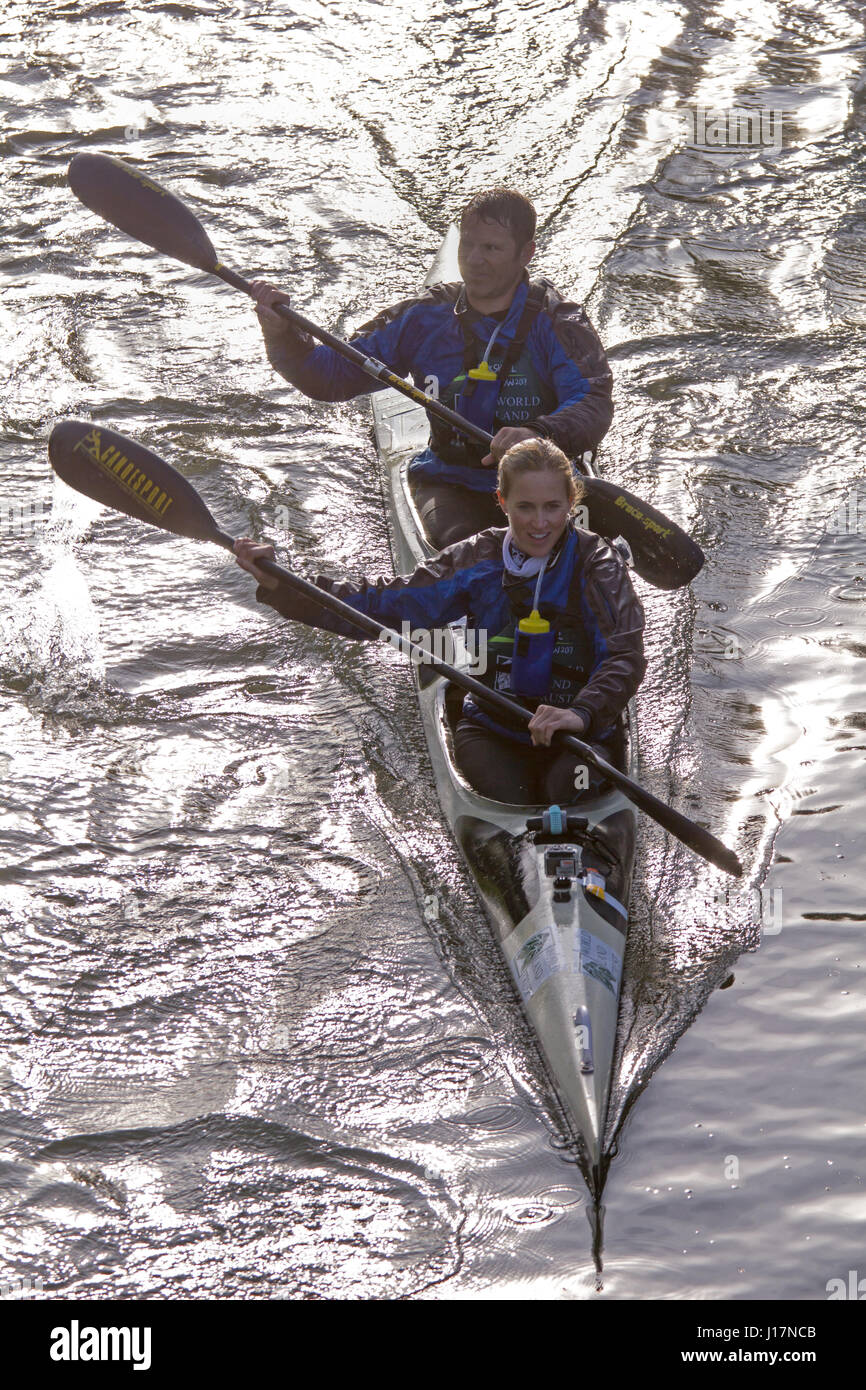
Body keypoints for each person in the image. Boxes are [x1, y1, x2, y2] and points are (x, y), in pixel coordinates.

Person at [234, 438, 645, 806]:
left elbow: (624, 656)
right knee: (514, 798)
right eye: (525, 507)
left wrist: (581, 713)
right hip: (494, 728)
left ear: (571, 503)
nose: (540, 523)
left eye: (553, 507)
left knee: (567, 792)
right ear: (502, 502)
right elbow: (386, 605)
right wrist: (285, 587)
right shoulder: (475, 558)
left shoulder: (599, 565)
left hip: (580, 734)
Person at [250, 188, 614, 550]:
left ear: (526, 253)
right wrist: (282, 335)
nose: (474, 259)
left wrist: (537, 433)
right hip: (453, 481)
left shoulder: (560, 324)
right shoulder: (423, 317)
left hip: (541, 486)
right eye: (467, 245)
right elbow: (327, 379)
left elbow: (593, 403)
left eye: (491, 248)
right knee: (465, 551)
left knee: (579, 552)